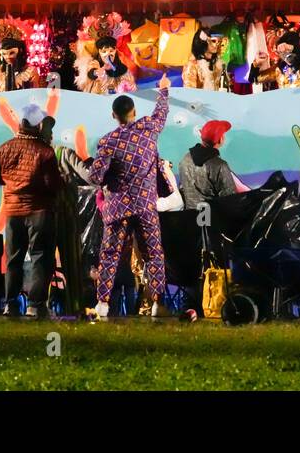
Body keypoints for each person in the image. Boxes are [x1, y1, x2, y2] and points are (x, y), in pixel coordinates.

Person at [88, 75, 172, 319]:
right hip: (146, 205)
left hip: (118, 208)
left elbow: (95, 176)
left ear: (114, 116)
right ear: (134, 111)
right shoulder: (149, 128)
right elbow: (161, 112)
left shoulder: (108, 141)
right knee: (154, 253)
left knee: (110, 255)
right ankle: (158, 303)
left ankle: (103, 303)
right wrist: (163, 91)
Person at [0, 103, 64, 318]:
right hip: (39, 211)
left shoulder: (5, 147)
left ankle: (11, 304)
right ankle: (35, 305)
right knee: (40, 257)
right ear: (37, 125)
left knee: (13, 258)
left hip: (13, 212)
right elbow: (53, 184)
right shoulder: (45, 151)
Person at [177, 119, 239, 212]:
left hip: (188, 218)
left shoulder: (185, 158)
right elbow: (230, 199)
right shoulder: (220, 165)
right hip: (211, 219)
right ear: (221, 139)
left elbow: (183, 189)